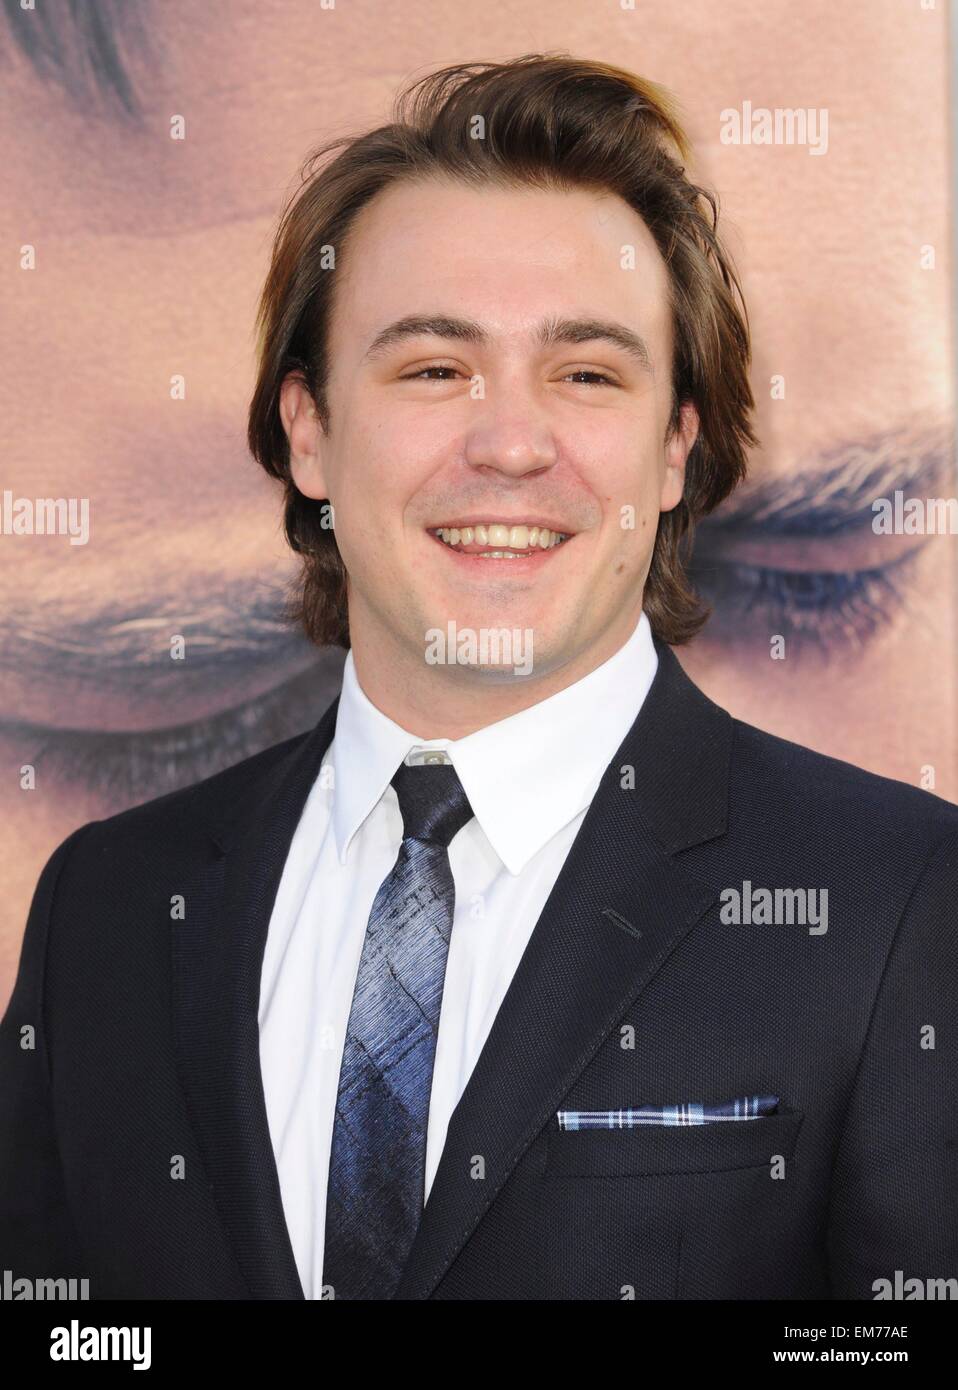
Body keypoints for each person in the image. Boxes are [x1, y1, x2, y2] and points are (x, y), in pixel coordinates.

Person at [1, 54, 955, 1301]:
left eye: (589, 373)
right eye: (433, 368)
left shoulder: (900, 901)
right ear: (308, 432)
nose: (510, 443)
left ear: (676, 447)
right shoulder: (109, 908)